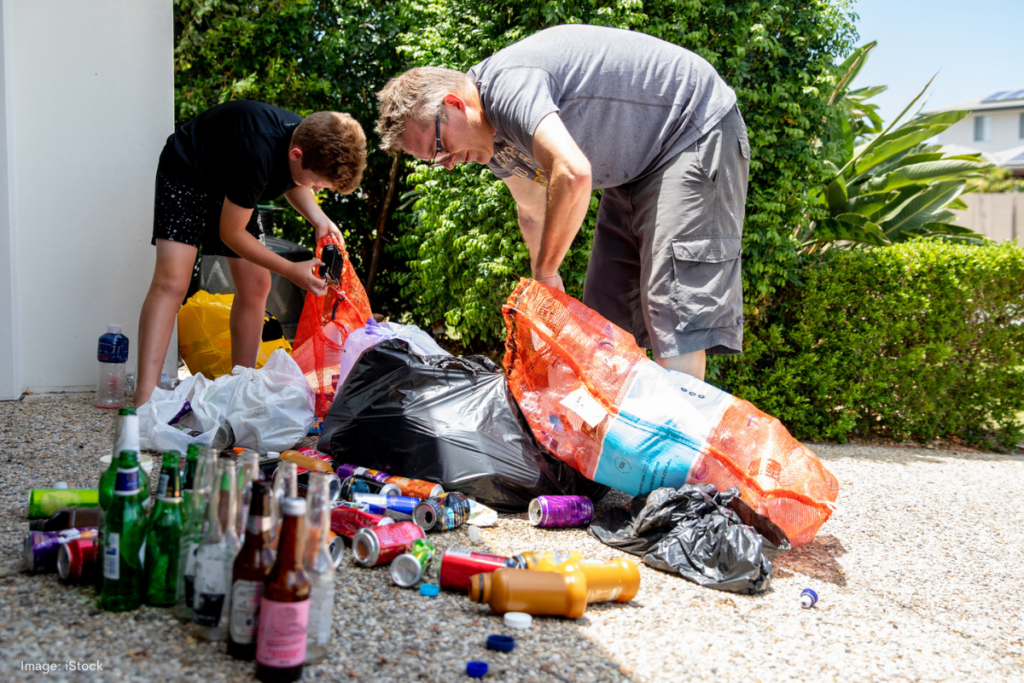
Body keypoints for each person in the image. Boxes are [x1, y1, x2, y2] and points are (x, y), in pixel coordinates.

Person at [376, 25, 749, 381]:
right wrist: (545, 294)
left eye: (440, 148)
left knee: (672, 306)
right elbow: (532, 211)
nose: (447, 163)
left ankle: (678, 425)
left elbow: (572, 174)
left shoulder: (508, 86)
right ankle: (622, 423)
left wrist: (547, 271)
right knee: (606, 314)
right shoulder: (491, 144)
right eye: (434, 162)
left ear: (454, 104)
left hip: (691, 128)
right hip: (637, 167)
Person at [135, 100, 366, 406]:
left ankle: (240, 388)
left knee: (256, 285)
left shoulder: (312, 137)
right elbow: (231, 233)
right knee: (172, 283)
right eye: (317, 183)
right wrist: (291, 269)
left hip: (232, 180)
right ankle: (144, 396)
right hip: (188, 170)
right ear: (296, 154)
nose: (317, 189)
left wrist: (320, 220)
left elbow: (293, 179)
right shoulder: (258, 152)